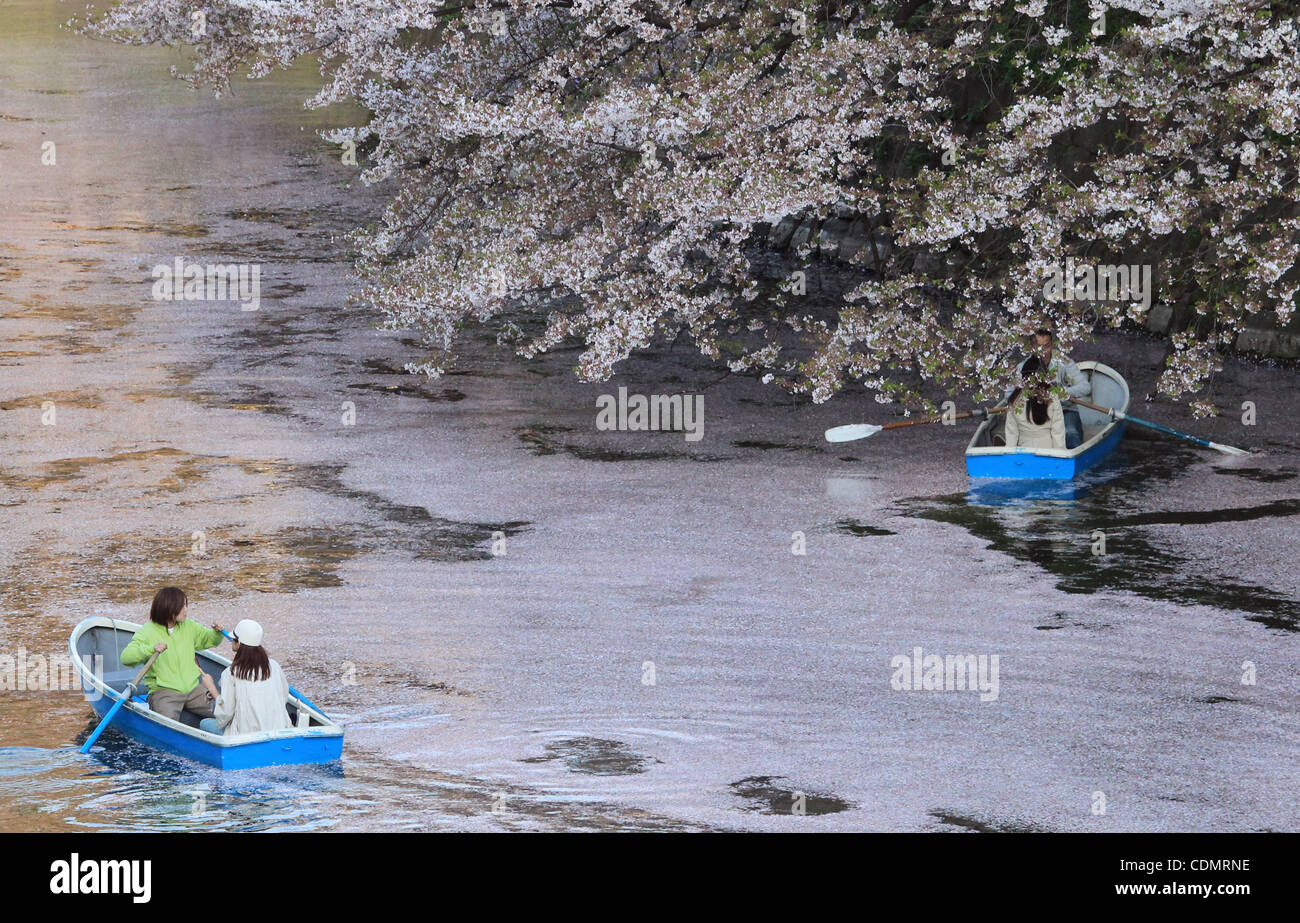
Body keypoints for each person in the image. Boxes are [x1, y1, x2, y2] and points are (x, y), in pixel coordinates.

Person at [120, 587, 225, 724]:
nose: (186, 610)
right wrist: (151, 649)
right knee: (167, 725)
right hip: (164, 692)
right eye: (182, 606)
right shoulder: (147, 631)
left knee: (222, 714)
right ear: (168, 608)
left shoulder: (188, 626)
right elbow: (126, 657)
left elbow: (208, 639)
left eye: (186, 605)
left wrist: (217, 633)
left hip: (193, 689)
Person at [198, 619, 291, 737]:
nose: (232, 642)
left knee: (204, 723)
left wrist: (212, 688)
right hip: (279, 730)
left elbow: (225, 714)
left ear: (239, 644)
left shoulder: (230, 673)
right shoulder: (274, 666)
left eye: (234, 640)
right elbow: (283, 697)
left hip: (245, 736)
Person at [1019, 328, 1089, 447]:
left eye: (1046, 346)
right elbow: (1010, 395)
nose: (1042, 351)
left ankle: (1072, 461)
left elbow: (1085, 387)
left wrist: (1061, 393)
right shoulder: (1024, 366)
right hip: (1034, 413)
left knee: (1070, 434)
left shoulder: (1064, 362)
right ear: (1032, 346)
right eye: (1038, 347)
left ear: (1052, 345)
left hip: (1065, 411)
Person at [1004, 356, 1066, 450]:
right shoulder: (1051, 398)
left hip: (1023, 450)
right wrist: (1059, 456)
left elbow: (1011, 434)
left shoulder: (1015, 399)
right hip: (1047, 450)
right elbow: (1058, 432)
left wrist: (1010, 456)